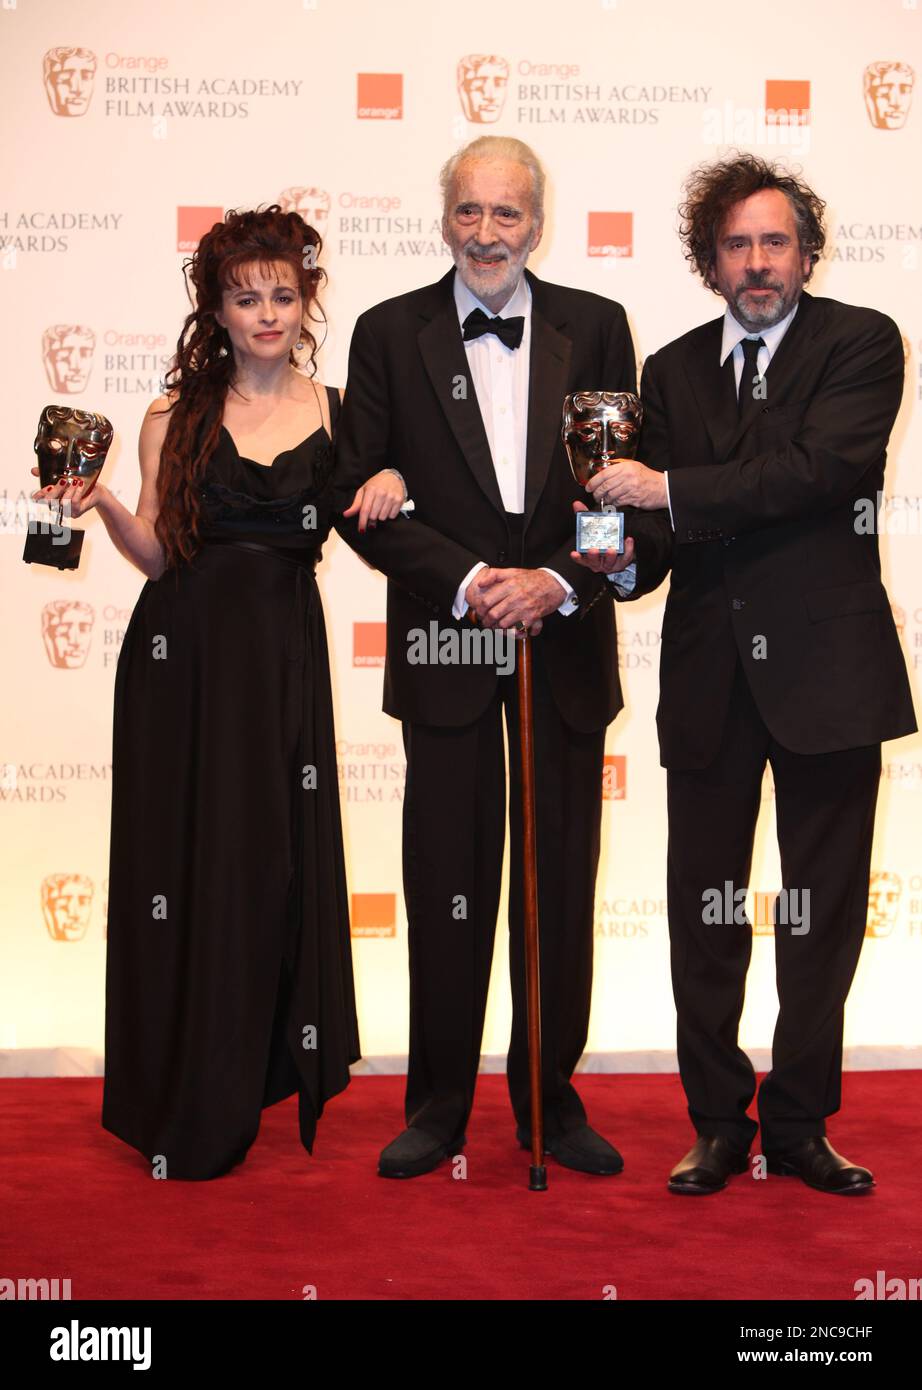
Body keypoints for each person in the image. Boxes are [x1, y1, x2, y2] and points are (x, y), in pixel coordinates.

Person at [33, 207, 405, 1179]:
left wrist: (393, 476)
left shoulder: (334, 413)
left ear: (305, 299)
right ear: (219, 307)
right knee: (181, 872)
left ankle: (246, 1076)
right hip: (180, 668)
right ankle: (183, 1097)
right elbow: (160, 550)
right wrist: (106, 501)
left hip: (281, 668)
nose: (267, 311)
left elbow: (371, 503)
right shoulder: (171, 417)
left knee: (263, 874)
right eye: (247, 296)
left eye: (283, 293)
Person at [576, 153, 917, 1195]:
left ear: (805, 252)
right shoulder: (671, 372)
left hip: (831, 676)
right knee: (705, 912)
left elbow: (819, 471)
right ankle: (718, 1123)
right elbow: (664, 537)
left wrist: (666, 487)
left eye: (775, 241)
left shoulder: (862, 342)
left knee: (820, 913)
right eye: (736, 243)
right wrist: (618, 556)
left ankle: (803, 1124)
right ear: (708, 259)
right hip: (711, 677)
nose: (757, 261)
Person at [334, 135, 666, 1178]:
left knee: (560, 883)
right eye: (469, 212)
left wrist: (560, 581)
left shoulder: (599, 328)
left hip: (562, 646)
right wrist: (474, 578)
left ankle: (546, 1101)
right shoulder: (389, 332)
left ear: (538, 221)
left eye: (507, 215)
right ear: (444, 217)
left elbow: (620, 493)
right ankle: (436, 1105)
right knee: (444, 882)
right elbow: (360, 499)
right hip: (445, 643)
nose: (487, 234)